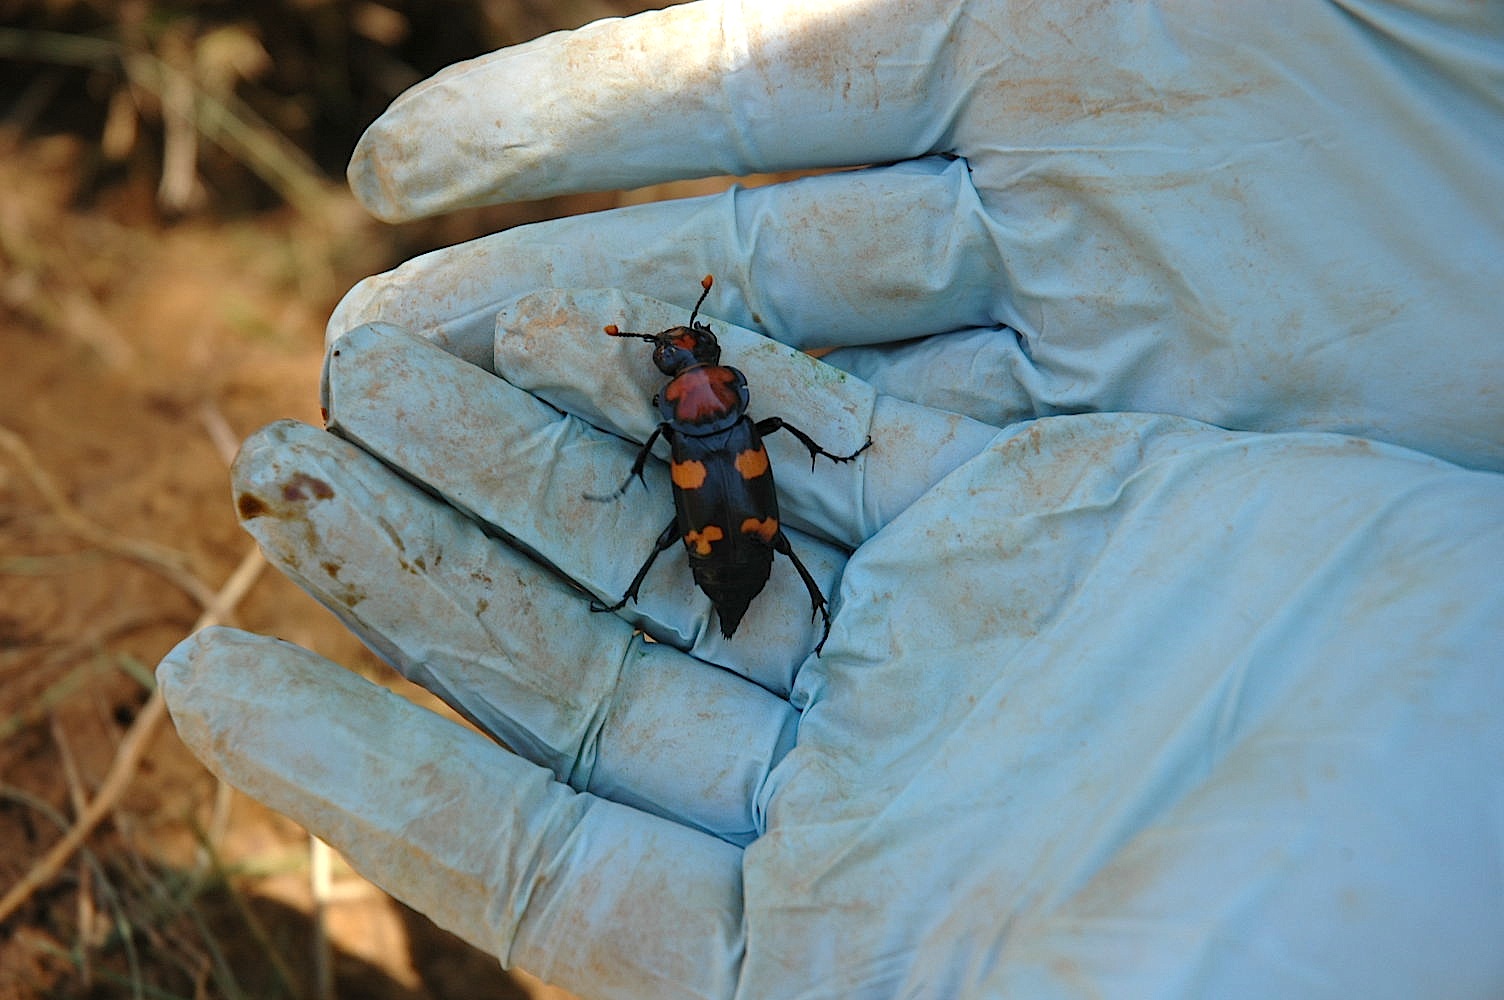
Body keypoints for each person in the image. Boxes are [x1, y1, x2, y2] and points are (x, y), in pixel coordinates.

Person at [159, 1, 1504, 996]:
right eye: (684, 364)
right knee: (744, 534)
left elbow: (690, 463)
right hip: (737, 542)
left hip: (725, 542)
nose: (690, 372)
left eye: (690, 359)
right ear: (700, 389)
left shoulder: (703, 431)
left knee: (722, 531)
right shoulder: (735, 420)